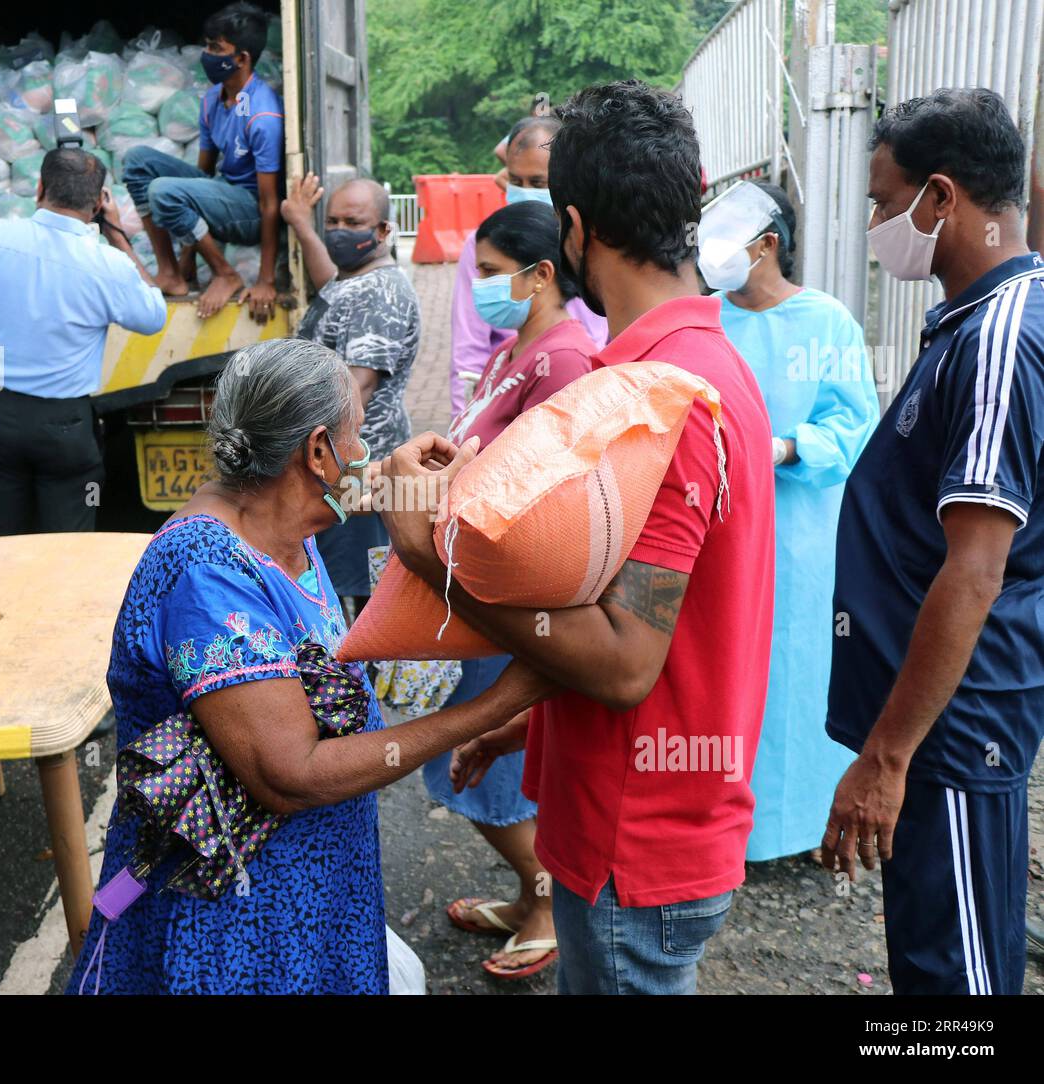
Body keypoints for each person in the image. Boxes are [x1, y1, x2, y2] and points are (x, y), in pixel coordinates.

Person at [378, 80, 776, 995]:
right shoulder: (688, 364)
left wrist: (428, 558)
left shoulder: (661, 400)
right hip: (633, 818)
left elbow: (630, 661)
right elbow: (646, 624)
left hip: (634, 848)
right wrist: (532, 725)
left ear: (573, 228)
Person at [65, 339, 550, 994]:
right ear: (318, 450)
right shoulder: (208, 572)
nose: (367, 453)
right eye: (360, 433)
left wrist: (407, 477)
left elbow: (355, 484)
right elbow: (291, 776)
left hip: (306, 894)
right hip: (237, 923)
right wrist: (488, 709)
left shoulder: (284, 517)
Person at [820, 87, 1044, 996]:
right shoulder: (969, 319)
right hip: (937, 721)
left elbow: (977, 567)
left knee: (956, 980)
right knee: (932, 957)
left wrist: (889, 756)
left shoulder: (999, 336)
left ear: (941, 197)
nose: (877, 224)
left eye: (883, 202)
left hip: (953, 729)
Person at [432, 200, 597, 979]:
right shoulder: (513, 350)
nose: (480, 287)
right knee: (477, 760)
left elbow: (555, 498)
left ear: (541, 274)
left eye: (492, 274)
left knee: (480, 763)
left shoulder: (561, 358)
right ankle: (533, 890)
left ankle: (545, 900)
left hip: (515, 597)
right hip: (482, 589)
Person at [696, 179, 880, 861]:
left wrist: (788, 445)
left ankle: (801, 823)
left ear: (768, 243)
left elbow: (855, 423)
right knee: (723, 669)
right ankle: (721, 817)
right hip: (716, 528)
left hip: (798, 531)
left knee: (797, 669)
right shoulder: (704, 319)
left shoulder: (826, 322)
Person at [0, 148, 166, 537]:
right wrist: (118, 237)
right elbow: (153, 315)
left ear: (40, 188)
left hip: (2, 416)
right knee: (71, 546)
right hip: (68, 427)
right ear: (99, 203)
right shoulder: (108, 266)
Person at [281, 173, 420, 611]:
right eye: (333, 221)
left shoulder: (381, 293)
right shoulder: (355, 281)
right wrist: (303, 225)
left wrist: (290, 440)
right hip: (338, 469)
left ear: (382, 231)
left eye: (352, 222)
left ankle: (352, 677)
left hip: (354, 476)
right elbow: (333, 289)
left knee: (353, 598)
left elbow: (356, 387)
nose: (339, 231)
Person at [122, 3, 283, 322]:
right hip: (221, 193)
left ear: (241, 58)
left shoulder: (263, 116)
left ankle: (226, 274)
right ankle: (170, 272)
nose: (206, 54)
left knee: (163, 192)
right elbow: (201, 177)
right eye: (207, 45)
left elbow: (268, 203)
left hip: (249, 211)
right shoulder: (213, 100)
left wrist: (266, 280)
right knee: (137, 161)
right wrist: (186, 259)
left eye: (215, 48)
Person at [450, 116, 607, 414]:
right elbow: (467, 348)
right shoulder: (485, 245)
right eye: (514, 180)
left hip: (588, 396)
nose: (523, 191)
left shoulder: (594, 241)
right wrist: (463, 423)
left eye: (537, 182)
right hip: (505, 400)